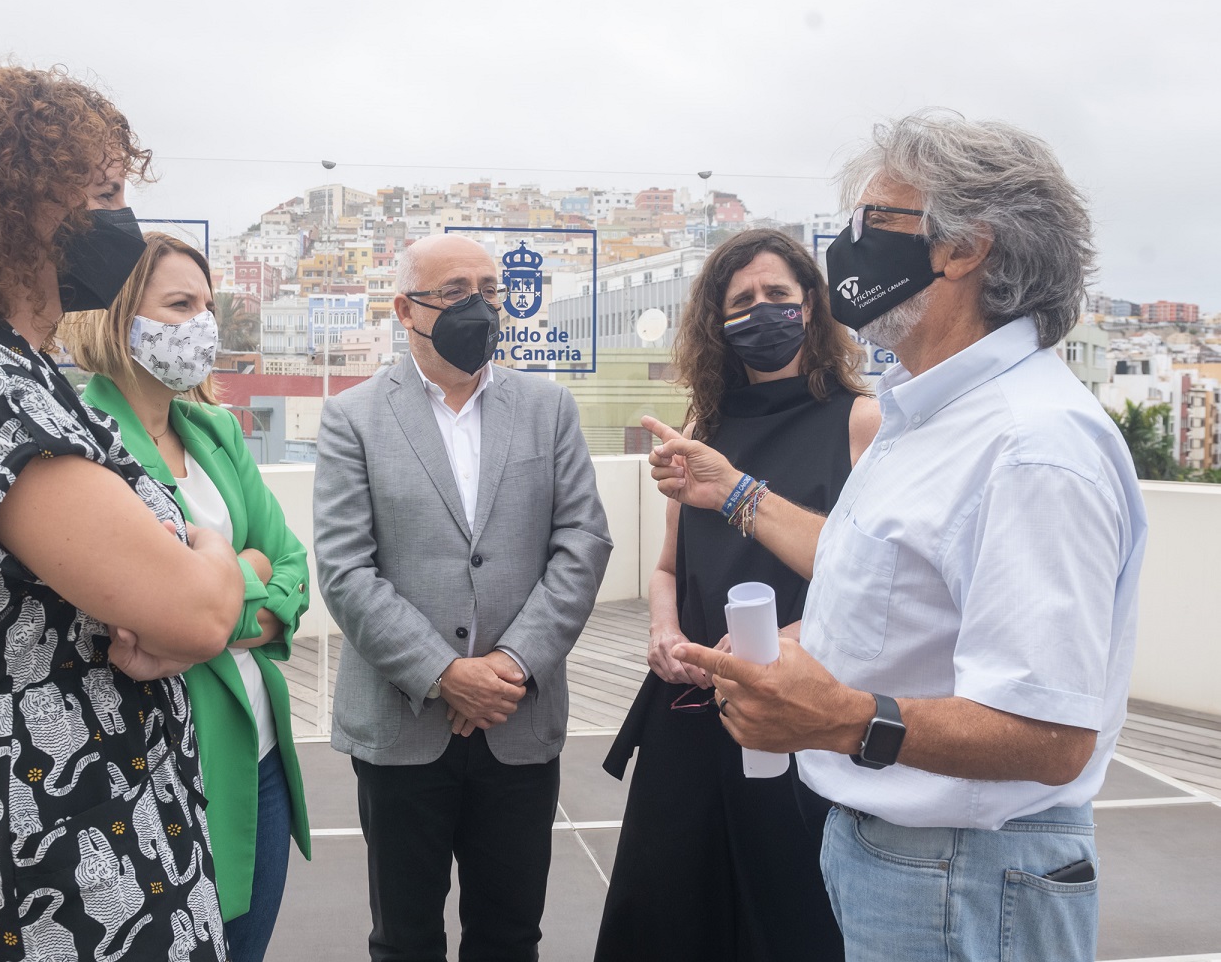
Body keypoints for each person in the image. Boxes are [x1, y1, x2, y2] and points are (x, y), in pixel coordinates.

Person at [659, 112, 1147, 962]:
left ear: (962, 250)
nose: (846, 250)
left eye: (873, 223)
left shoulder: (1033, 446)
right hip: (891, 856)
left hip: (966, 879)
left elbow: (1052, 735)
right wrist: (801, 643)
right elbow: (890, 587)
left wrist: (843, 717)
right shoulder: (926, 416)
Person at [0, 66, 242, 962]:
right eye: (102, 191)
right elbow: (199, 605)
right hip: (51, 840)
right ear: (11, 205)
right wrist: (210, 558)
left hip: (99, 810)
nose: (124, 223)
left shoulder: (21, 374)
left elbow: (170, 603)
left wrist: (182, 602)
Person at [313, 232, 613, 962]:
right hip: (401, 721)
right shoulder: (352, 417)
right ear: (404, 309)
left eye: (489, 290)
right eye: (454, 293)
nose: (478, 307)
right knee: (404, 938)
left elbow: (583, 544)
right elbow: (346, 568)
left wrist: (511, 666)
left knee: (510, 935)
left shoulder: (549, 409)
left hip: (519, 718)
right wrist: (447, 674)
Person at [595, 229, 879, 961]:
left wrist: (797, 637)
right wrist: (664, 632)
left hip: (795, 711)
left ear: (812, 307)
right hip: (687, 716)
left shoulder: (860, 423)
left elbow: (875, 580)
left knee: (787, 918)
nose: (762, 310)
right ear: (716, 325)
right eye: (742, 300)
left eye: (778, 295)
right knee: (667, 916)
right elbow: (668, 566)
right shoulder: (704, 427)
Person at [60, 232, 312, 961]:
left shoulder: (215, 430)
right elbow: (140, 616)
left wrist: (220, 597)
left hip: (261, 753)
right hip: (164, 763)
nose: (203, 324)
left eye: (207, 305)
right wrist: (241, 580)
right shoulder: (84, 442)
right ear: (115, 316)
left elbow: (290, 559)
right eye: (179, 304)